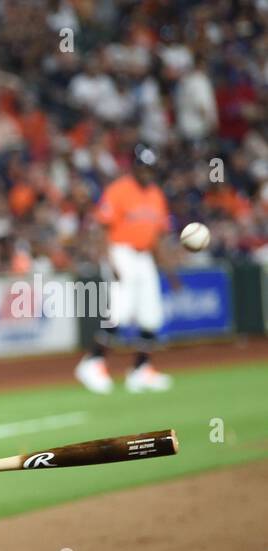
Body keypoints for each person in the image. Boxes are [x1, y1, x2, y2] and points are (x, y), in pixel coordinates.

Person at [74, 144, 179, 394]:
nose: (147, 172)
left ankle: (141, 369)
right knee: (118, 313)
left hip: (144, 257)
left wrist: (170, 271)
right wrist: (109, 261)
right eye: (143, 167)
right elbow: (100, 227)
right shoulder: (119, 190)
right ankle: (92, 363)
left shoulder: (156, 195)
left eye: (151, 168)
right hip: (120, 252)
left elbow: (157, 237)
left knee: (151, 316)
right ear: (134, 166)